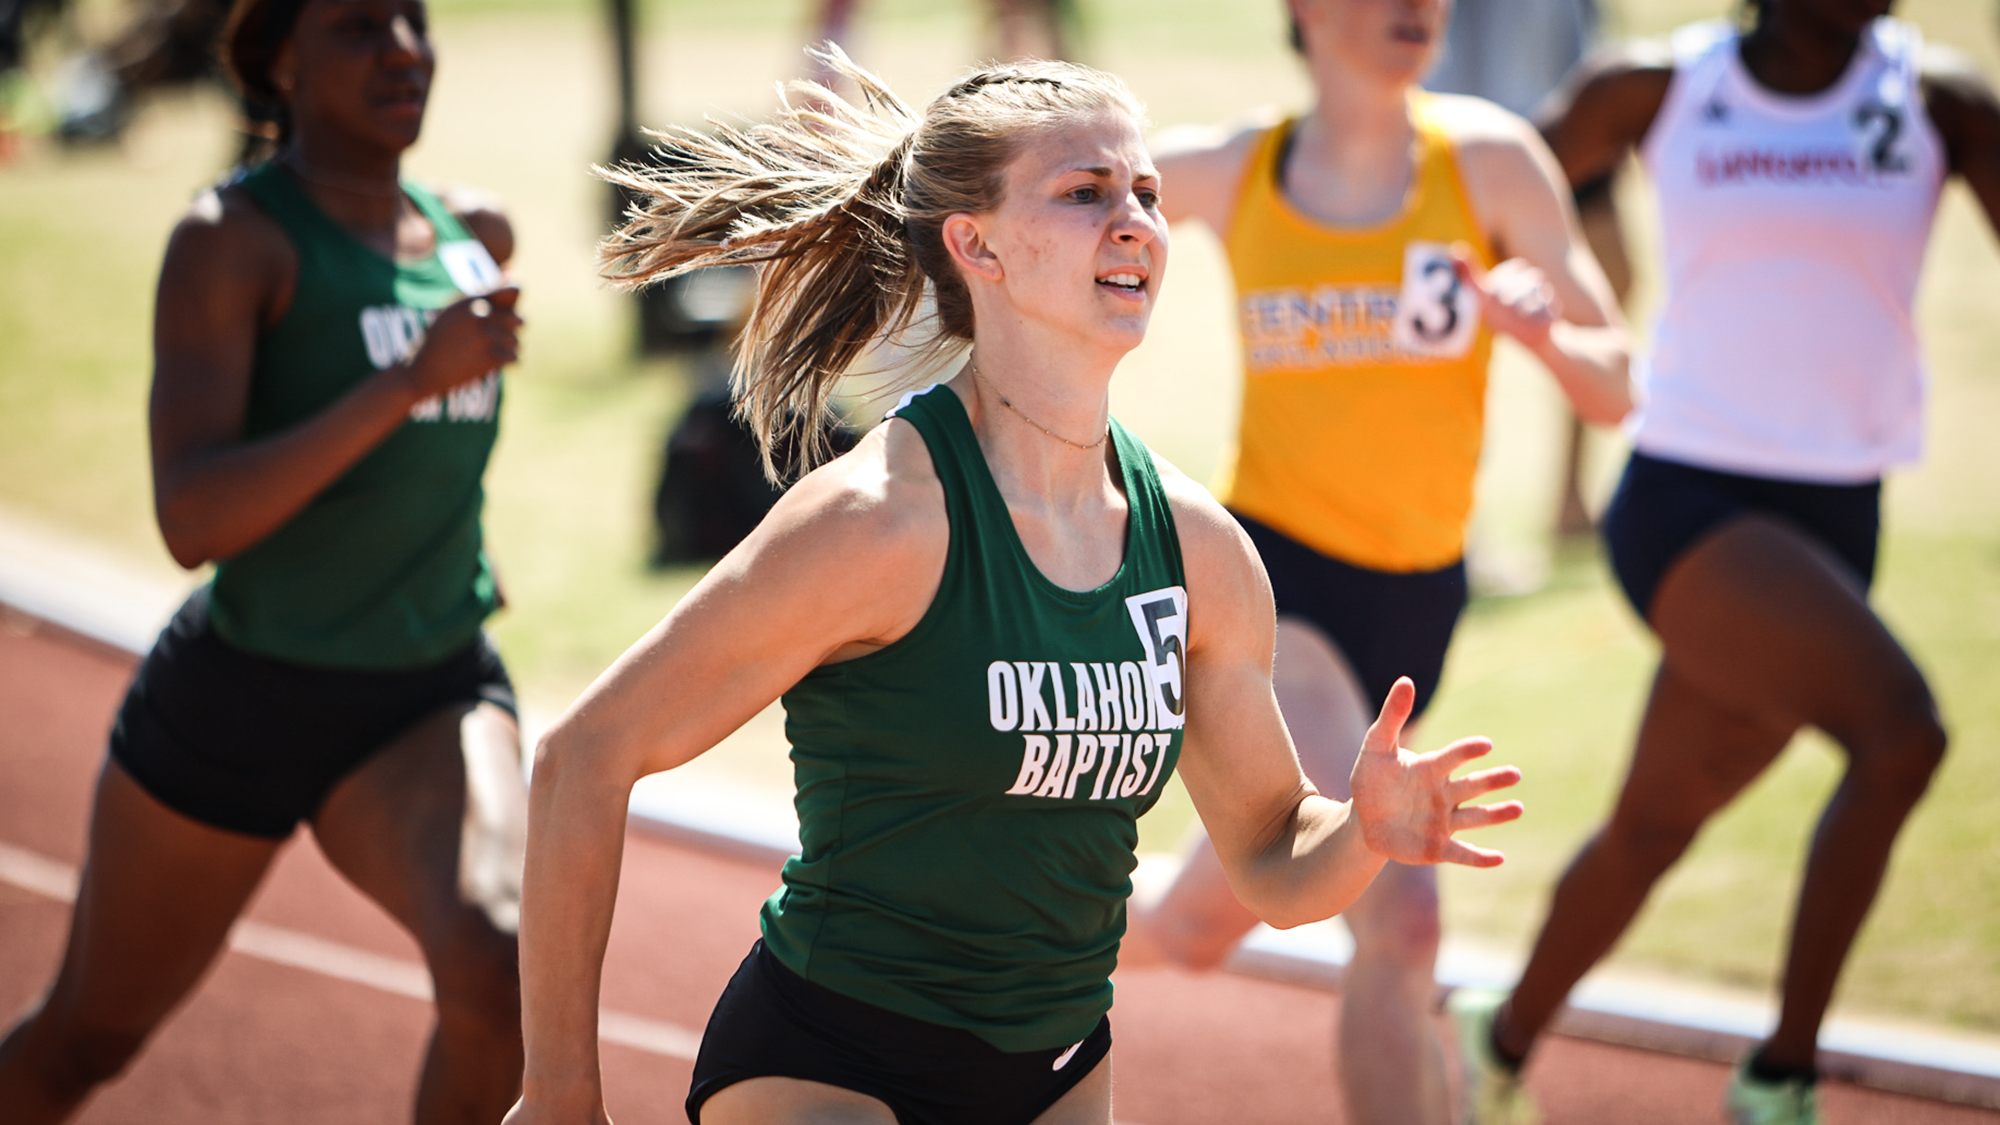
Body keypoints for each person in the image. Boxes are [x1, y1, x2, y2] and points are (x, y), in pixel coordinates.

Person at [503, 47, 1523, 1125]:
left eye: (1146, 194)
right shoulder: (878, 522)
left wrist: (1362, 831)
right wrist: (560, 1095)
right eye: (1085, 193)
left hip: (1058, 1072)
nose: (1134, 223)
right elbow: (582, 757)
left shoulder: (1197, 551)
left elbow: (1273, 856)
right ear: (975, 245)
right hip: (832, 1060)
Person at [1446, 0, 2000, 1122]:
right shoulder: (1655, 87)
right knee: (1903, 734)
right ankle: (1780, 1078)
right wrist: (1510, 300)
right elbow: (1472, 199)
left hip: (1840, 515)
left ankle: (1491, 1047)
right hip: (1687, 500)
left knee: (1652, 826)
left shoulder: (1939, 102)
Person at [0, 0, 529, 1120]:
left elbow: (436, 465)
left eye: (412, 19)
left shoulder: (476, 233)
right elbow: (192, 517)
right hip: (244, 698)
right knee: (85, 1040)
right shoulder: (229, 239)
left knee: (498, 967)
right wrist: (405, 383)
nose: (401, 48)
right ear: (280, 62)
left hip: (425, 695)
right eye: (357, 25)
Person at [1126, 2, 1631, 1123]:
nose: (1417, 9)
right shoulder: (1235, 169)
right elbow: (1036, 194)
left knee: (1193, 928)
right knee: (1399, 920)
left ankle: (981, 947)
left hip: (1418, 600)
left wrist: (1545, 336)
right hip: (1272, 589)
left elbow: (1618, 383)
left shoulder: (1489, 160)